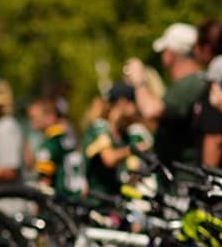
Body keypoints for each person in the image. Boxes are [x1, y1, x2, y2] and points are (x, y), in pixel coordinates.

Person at [126, 22, 206, 166]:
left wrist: (139, 80)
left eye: (164, 51)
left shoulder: (189, 84)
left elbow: (151, 111)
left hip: (183, 174)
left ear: (171, 54)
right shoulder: (196, 81)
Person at [83, 83, 137, 199]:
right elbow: (109, 159)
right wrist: (133, 150)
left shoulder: (124, 134)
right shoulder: (100, 127)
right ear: (122, 103)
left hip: (117, 200)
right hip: (98, 201)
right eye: (133, 102)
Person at [28, 97, 83, 198]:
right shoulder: (68, 136)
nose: (32, 121)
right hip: (76, 196)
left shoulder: (50, 143)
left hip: (60, 199)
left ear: (50, 117)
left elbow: (44, 182)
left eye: (35, 117)